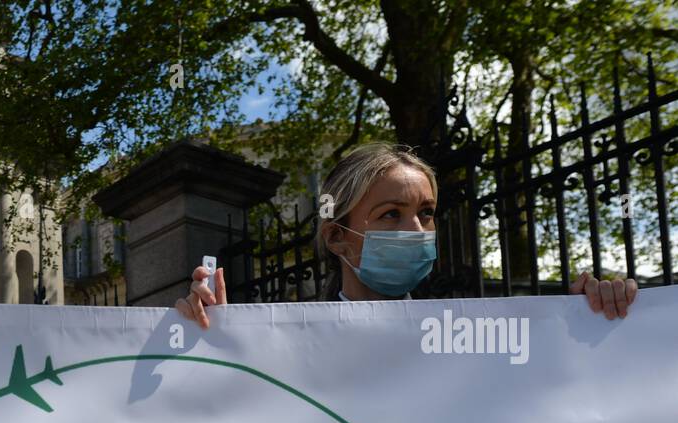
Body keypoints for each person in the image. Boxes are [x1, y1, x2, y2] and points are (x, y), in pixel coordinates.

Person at [177, 142, 638, 326]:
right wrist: (213, 339)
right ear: (337, 237)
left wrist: (591, 316)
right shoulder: (287, 340)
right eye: (391, 214)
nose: (416, 229)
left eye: (427, 212)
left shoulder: (477, 334)